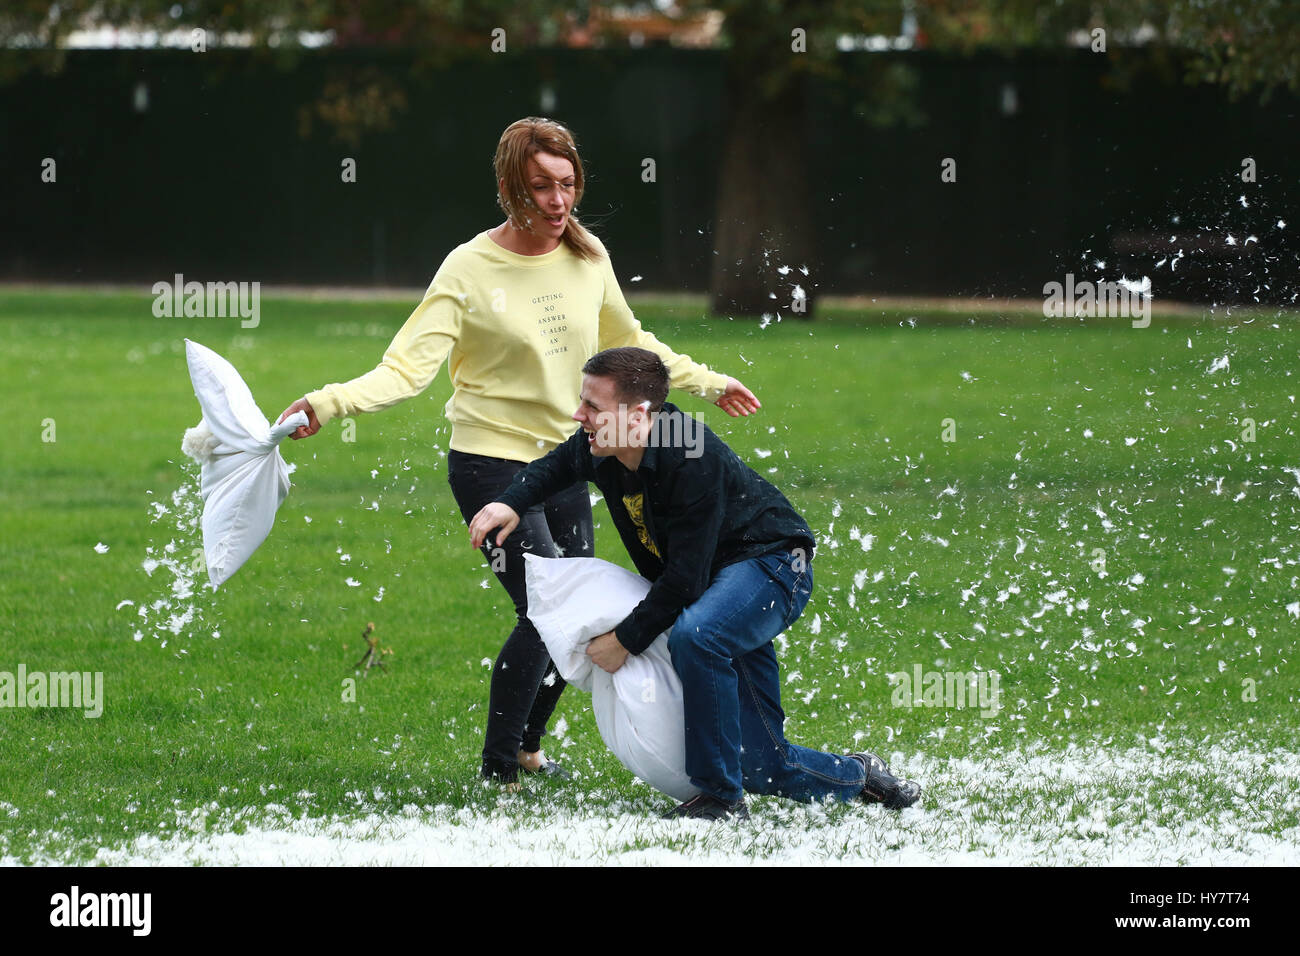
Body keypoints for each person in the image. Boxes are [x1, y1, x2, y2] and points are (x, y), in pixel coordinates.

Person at [276, 118, 760, 786]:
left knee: (578, 604)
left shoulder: (588, 259)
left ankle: (529, 748)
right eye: (541, 187)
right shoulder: (469, 269)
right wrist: (328, 403)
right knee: (546, 612)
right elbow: (406, 370)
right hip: (489, 464)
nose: (558, 201)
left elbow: (633, 344)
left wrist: (707, 381)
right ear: (511, 188)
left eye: (567, 185)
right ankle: (498, 767)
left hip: (570, 459)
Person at [468, 347, 922, 819]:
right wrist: (511, 503)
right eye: (582, 402)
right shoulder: (602, 443)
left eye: (592, 408)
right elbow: (555, 467)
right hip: (719, 582)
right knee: (761, 764)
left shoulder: (691, 454)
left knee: (698, 635)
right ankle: (861, 775)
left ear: (639, 414)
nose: (578, 415)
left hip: (772, 566)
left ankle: (719, 799)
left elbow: (684, 582)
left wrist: (624, 640)